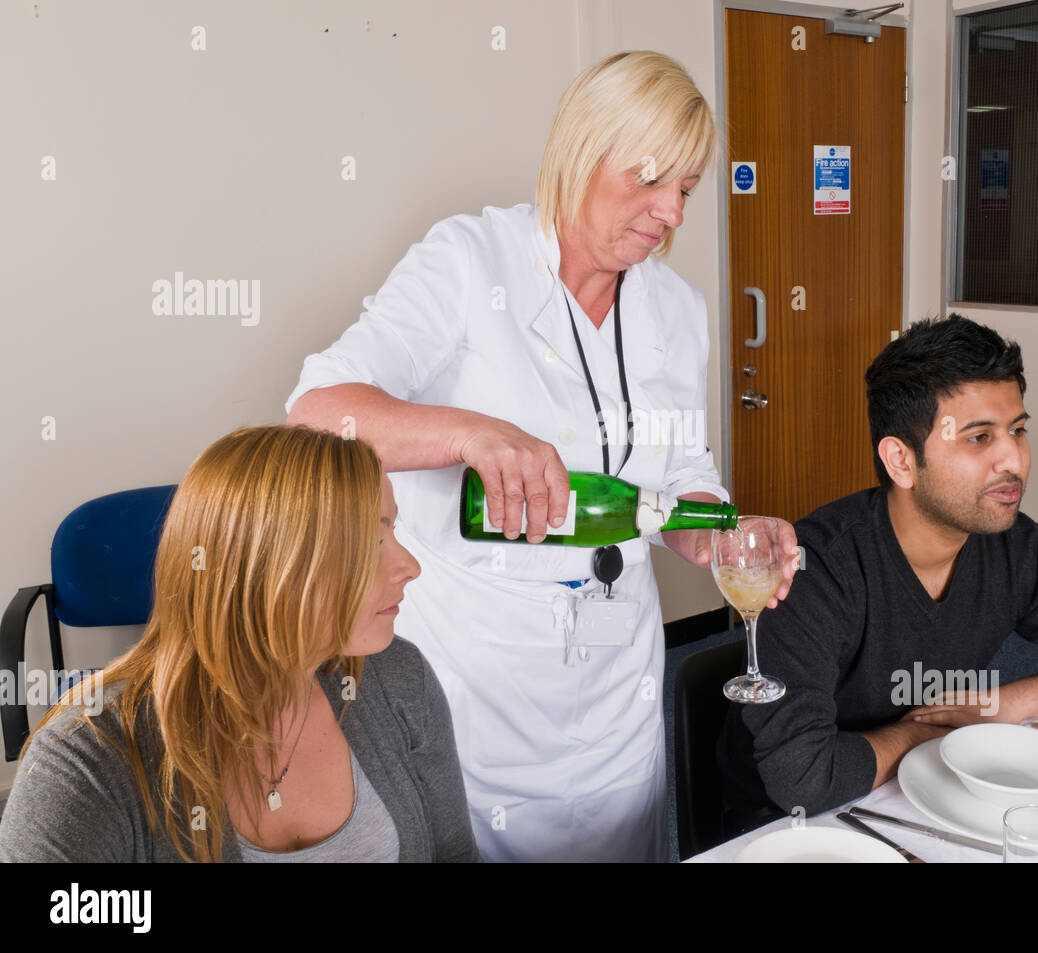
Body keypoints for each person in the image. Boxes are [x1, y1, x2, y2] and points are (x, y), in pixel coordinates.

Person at [285, 51, 799, 862]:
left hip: (615, 696)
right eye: (653, 179)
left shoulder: (677, 307)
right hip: (474, 702)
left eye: (687, 190)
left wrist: (719, 530)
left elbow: (680, 473)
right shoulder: (467, 263)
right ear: (583, 150)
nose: (671, 213)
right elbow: (318, 413)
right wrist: (469, 433)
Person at [719, 315, 1038, 833]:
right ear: (902, 461)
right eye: (979, 438)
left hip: (929, 786)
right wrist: (927, 734)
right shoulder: (811, 570)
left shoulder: (1017, 546)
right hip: (793, 826)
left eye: (1018, 431)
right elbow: (805, 780)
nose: (1014, 460)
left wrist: (1007, 703)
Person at [0, 426, 479, 862]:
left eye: (392, 530)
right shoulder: (86, 761)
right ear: (270, 566)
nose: (410, 566)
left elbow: (454, 856)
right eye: (372, 542)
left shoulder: (398, 679)